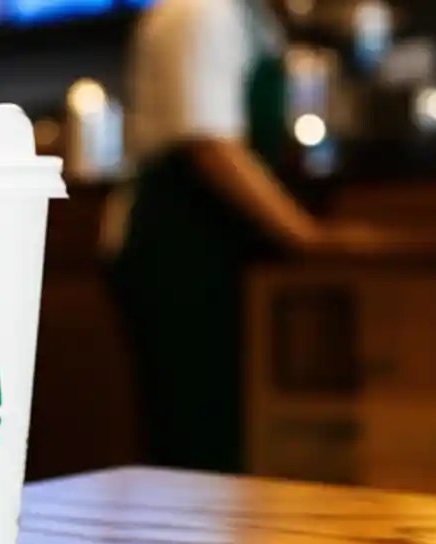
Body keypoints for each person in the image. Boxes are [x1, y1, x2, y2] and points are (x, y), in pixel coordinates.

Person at [108, 0, 326, 473]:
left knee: (228, 426)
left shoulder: (257, 23)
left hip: (223, 243)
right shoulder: (200, 13)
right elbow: (210, 147)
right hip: (177, 248)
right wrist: (305, 237)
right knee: (193, 432)